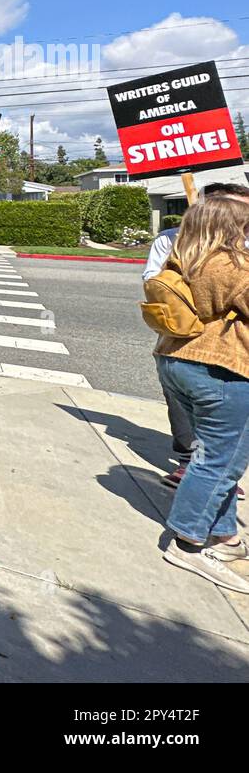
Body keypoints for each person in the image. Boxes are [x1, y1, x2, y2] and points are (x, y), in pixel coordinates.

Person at [155, 196, 249, 592]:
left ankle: (225, 535)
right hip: (221, 368)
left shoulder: (182, 257)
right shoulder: (232, 265)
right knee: (218, 463)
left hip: (176, 358)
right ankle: (188, 542)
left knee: (211, 456)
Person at [146, 182, 249, 493]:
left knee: (215, 430)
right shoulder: (171, 242)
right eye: (239, 209)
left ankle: (209, 475)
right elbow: (153, 284)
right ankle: (199, 471)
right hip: (195, 346)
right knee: (196, 419)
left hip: (216, 352)